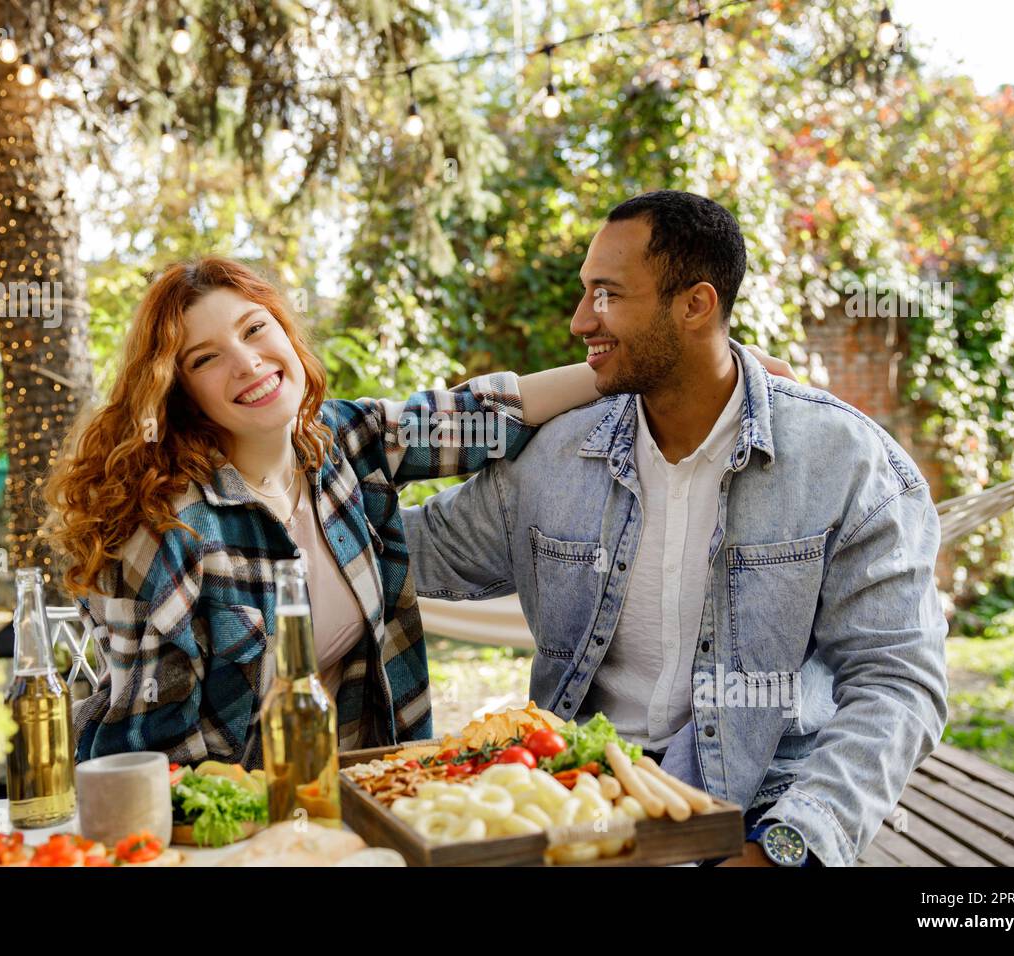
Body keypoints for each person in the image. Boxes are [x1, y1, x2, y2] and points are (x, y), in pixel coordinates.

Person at [402, 190, 949, 867]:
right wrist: (288, 453)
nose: (580, 321)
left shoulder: (846, 462)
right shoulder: (551, 460)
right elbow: (400, 552)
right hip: (580, 806)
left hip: (761, 813)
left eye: (606, 295)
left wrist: (785, 846)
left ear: (696, 304)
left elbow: (898, 681)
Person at [43, 255, 603, 766]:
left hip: (370, 787)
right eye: (206, 358)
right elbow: (147, 752)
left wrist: (620, 370)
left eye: (254, 329)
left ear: (285, 331)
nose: (246, 362)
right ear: (182, 392)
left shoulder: (338, 441)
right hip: (236, 826)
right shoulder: (168, 529)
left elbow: (484, 414)